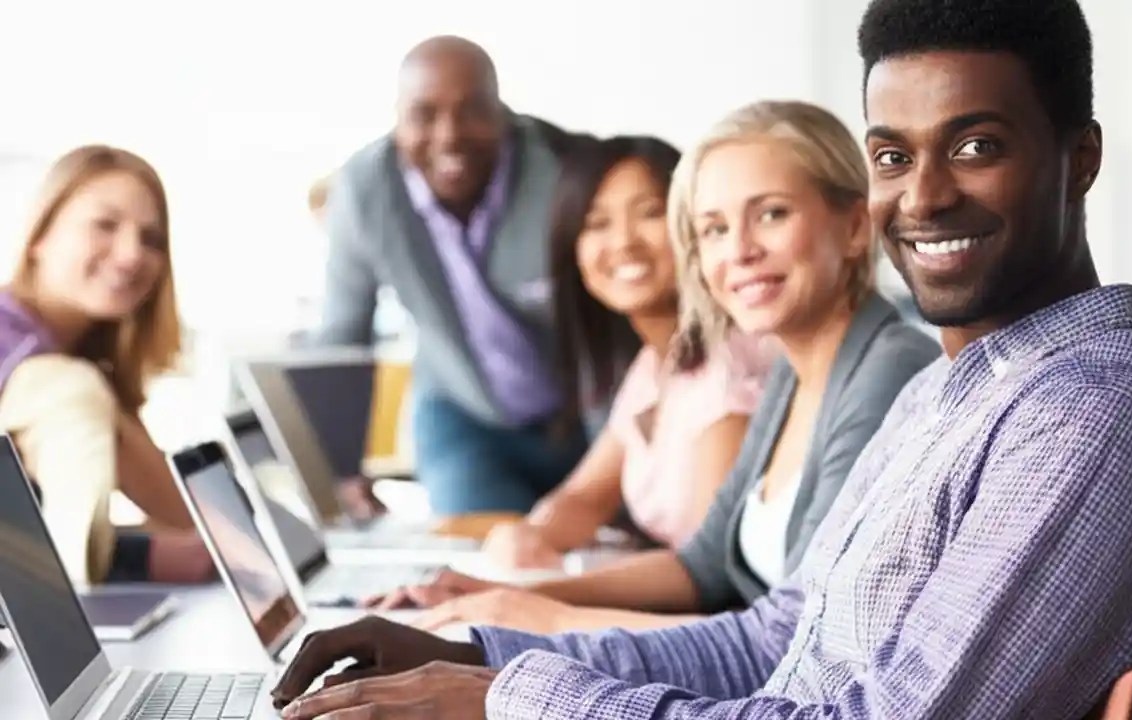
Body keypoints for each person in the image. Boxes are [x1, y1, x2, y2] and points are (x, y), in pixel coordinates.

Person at [269, 1, 1132, 718]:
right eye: (893, 157)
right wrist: (477, 654)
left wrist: (499, 700)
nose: (923, 196)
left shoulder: (1086, 423)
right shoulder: (954, 392)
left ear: (1077, 160)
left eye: (975, 145)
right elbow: (778, 639)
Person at [360, 101, 939, 635]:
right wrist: (504, 594)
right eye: (714, 228)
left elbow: (795, 637)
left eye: (771, 215)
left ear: (856, 227)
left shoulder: (887, 371)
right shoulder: (796, 368)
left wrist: (543, 615)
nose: (738, 250)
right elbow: (705, 565)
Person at [317, 35, 585, 518]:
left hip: (584, 412)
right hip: (464, 414)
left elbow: (621, 324)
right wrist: (340, 470)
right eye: (424, 114)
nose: (449, 135)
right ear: (398, 119)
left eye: (472, 110)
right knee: (482, 560)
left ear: (503, 111)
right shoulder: (363, 191)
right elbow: (343, 336)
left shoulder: (563, 168)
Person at [478, 135, 772, 572]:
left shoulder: (728, 361)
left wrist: (547, 595)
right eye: (596, 223)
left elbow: (709, 578)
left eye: (650, 214)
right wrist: (523, 538)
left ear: (697, 226)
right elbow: (585, 497)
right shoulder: (656, 366)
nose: (623, 243)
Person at [0, 145, 213, 586]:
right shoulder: (42, 370)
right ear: (40, 234)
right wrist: (140, 555)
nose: (132, 254)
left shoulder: (79, 365)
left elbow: (184, 517)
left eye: (152, 239)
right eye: (105, 225)